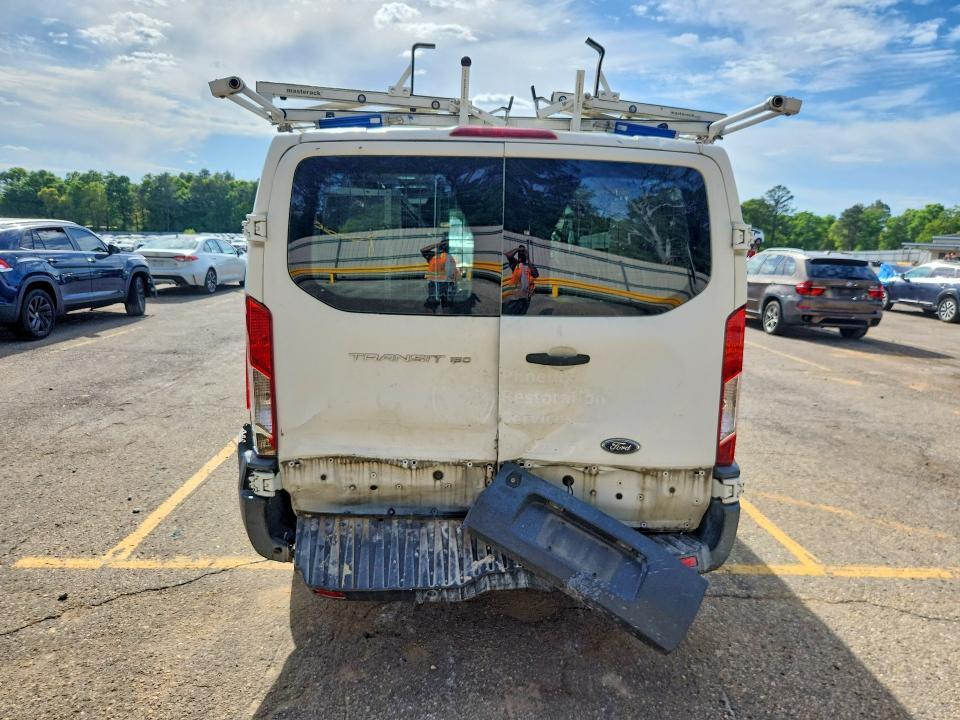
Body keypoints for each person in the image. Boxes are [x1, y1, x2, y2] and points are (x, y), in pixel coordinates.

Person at [421, 240, 460, 309]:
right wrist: (438, 244)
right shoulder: (434, 255)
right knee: (432, 304)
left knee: (447, 305)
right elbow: (423, 250)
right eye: (446, 245)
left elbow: (454, 270)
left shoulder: (453, 256)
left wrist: (455, 283)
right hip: (436, 284)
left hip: (449, 284)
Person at [503, 244, 539, 315]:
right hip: (516, 298)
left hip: (526, 298)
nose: (522, 253)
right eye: (520, 252)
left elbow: (536, 275)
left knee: (521, 316)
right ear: (518, 254)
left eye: (523, 252)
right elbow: (508, 255)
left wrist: (528, 258)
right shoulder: (515, 263)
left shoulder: (529, 265)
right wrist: (518, 249)